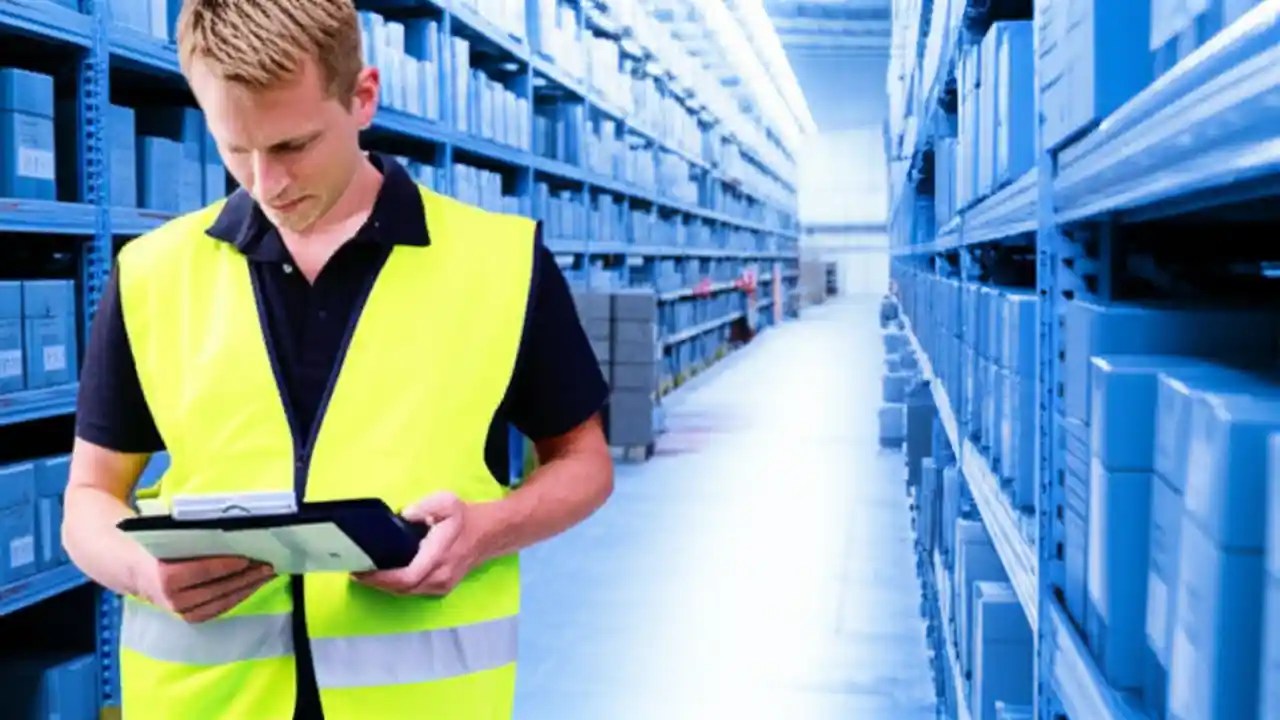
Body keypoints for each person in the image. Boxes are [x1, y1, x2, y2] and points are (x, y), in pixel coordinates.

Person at [61, 0, 614, 717]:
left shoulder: (499, 262)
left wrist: (486, 532)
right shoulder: (150, 274)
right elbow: (87, 498)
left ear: (363, 97)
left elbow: (585, 462)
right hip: (208, 703)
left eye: (293, 146)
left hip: (422, 701)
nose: (267, 186)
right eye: (236, 148)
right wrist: (140, 569)